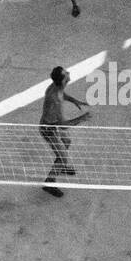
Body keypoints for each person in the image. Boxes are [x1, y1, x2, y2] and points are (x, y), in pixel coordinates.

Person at [39, 65, 91, 197]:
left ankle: (59, 166)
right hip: (49, 130)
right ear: (63, 81)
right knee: (63, 158)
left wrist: (74, 100)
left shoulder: (56, 87)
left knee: (67, 141)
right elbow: (63, 125)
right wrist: (82, 118)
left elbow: (63, 94)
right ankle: (49, 183)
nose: (68, 72)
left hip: (52, 125)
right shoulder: (55, 99)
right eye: (65, 73)